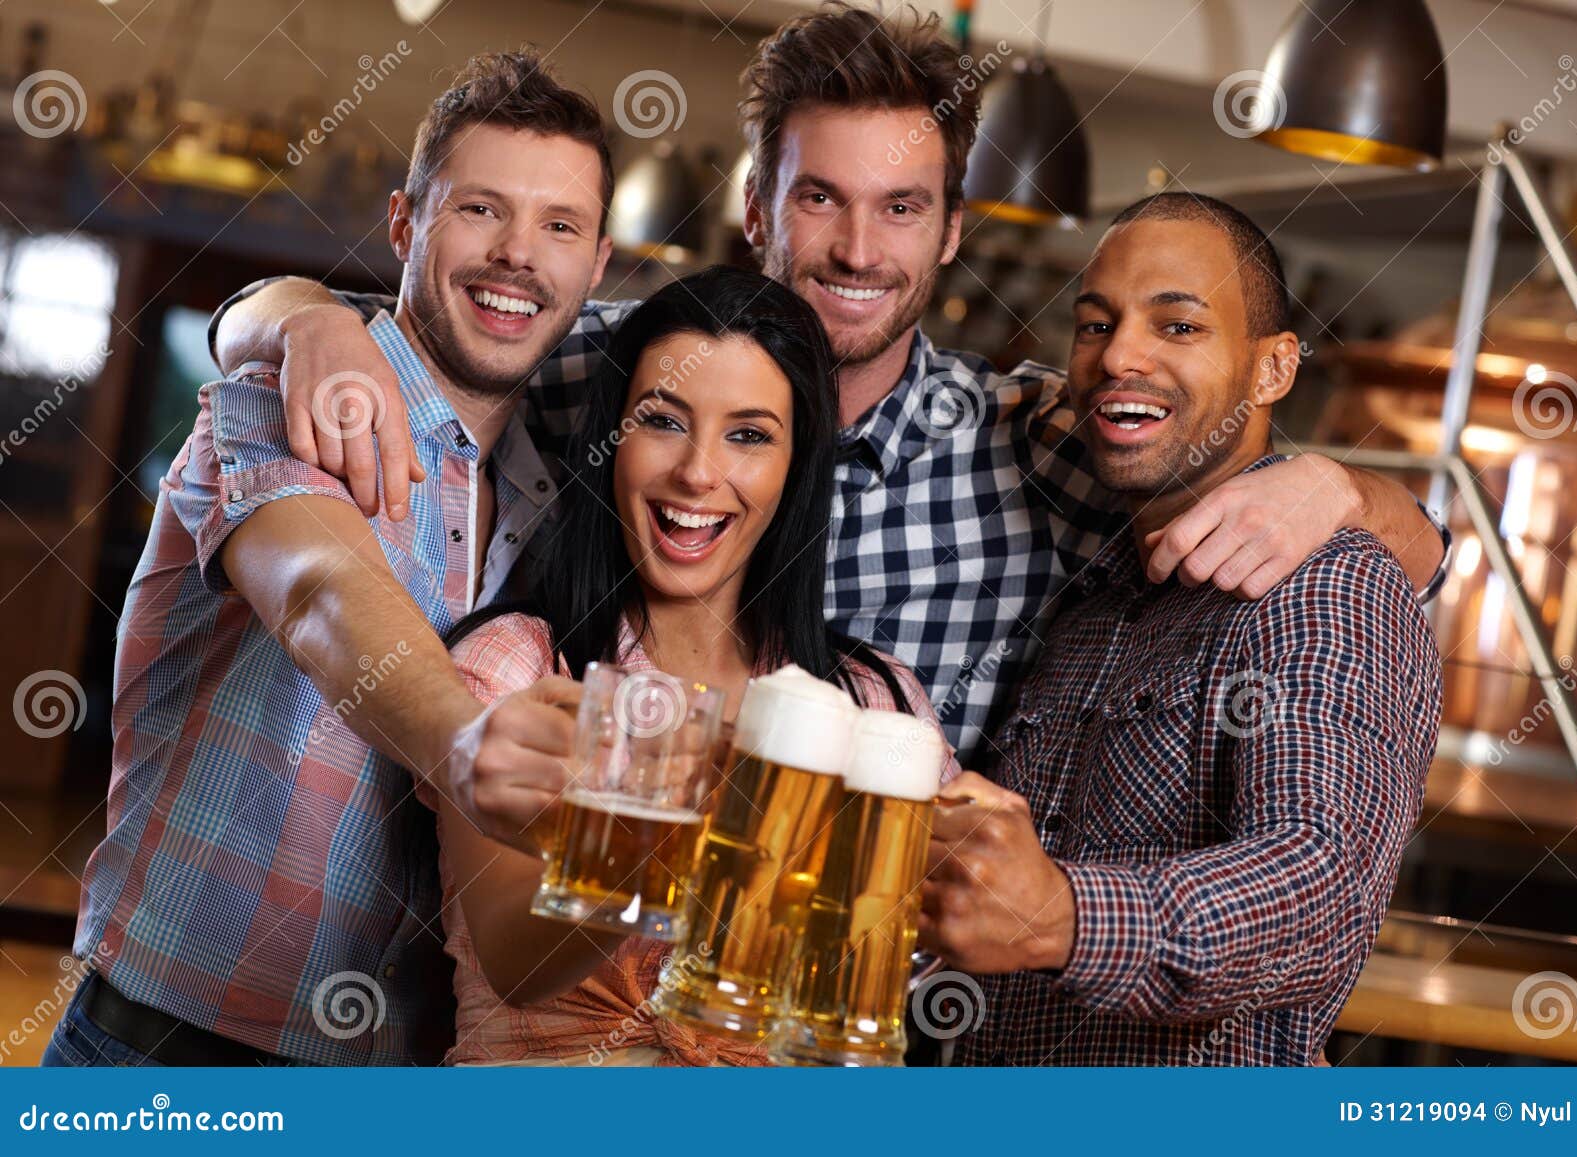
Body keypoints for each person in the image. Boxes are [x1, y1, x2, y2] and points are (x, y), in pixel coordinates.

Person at [206, 3, 1449, 774]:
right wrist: (298, 315)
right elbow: (441, 328)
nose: (859, 248)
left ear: (952, 229)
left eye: (899, 207)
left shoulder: (1034, 445)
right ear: (756, 209)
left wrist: (1338, 487)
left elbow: (1382, 529)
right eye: (820, 198)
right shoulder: (616, 370)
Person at [44, 49, 613, 1067]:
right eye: (480, 209)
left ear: (597, 265)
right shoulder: (282, 393)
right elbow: (321, 596)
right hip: (168, 1057)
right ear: (404, 224)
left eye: (559, 225)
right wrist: (469, 745)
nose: (519, 254)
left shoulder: (558, 493)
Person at [916, 193, 1443, 1066]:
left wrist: (1062, 915)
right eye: (1096, 325)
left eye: (1179, 327)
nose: (1120, 355)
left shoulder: (1327, 584)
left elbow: (1318, 888)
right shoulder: (1091, 595)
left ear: (1273, 370)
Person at [431, 265, 955, 1066]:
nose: (699, 473)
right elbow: (513, 958)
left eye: (749, 435)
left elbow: (918, 966)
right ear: (611, 441)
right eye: (664, 421)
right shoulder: (519, 663)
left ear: (795, 467)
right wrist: (706, 810)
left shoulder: (877, 703)